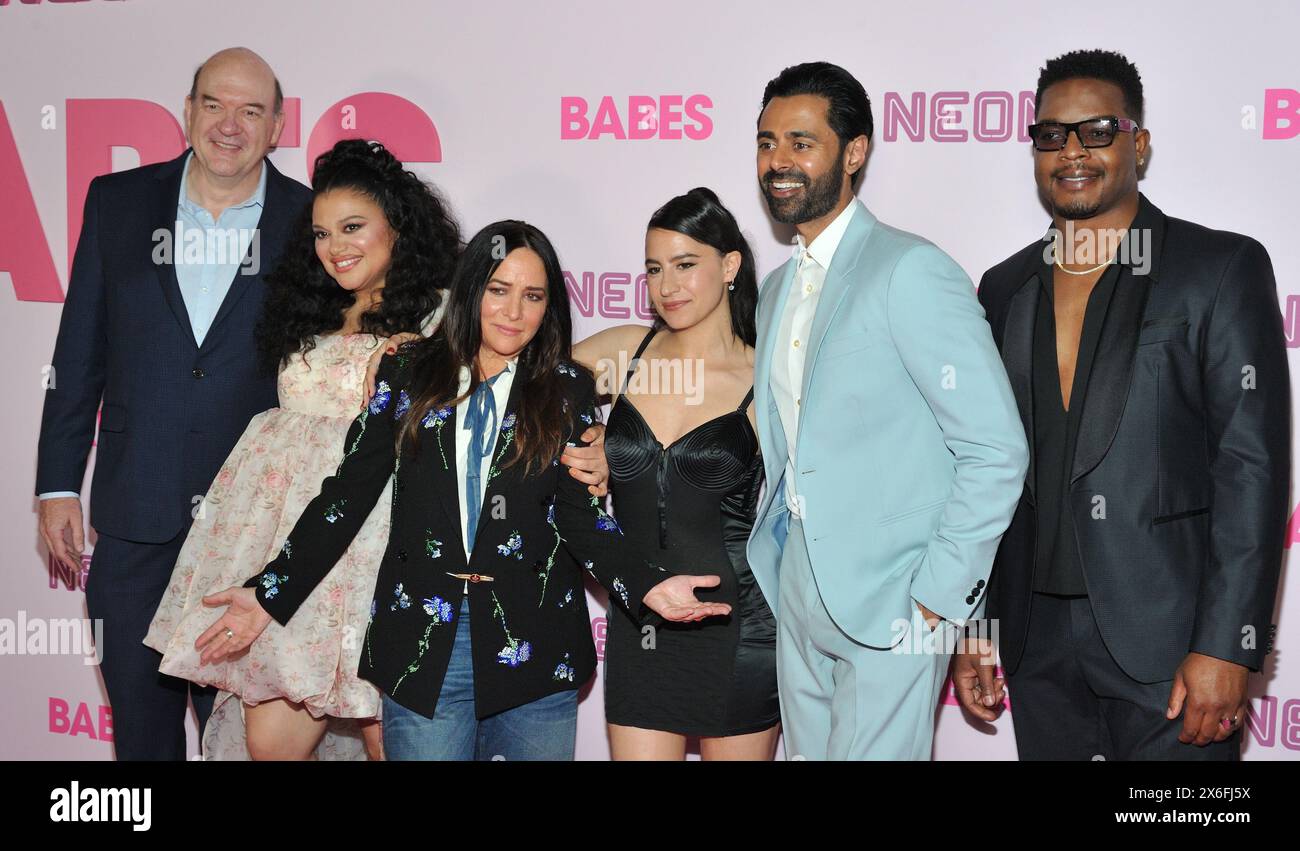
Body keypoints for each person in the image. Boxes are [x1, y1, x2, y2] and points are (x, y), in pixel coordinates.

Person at [193, 221, 731, 760]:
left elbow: (580, 517)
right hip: (424, 646)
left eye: (532, 296)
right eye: (498, 290)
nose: (513, 312)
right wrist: (270, 592)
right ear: (470, 290)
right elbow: (346, 495)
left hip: (537, 652)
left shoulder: (566, 389)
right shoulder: (406, 373)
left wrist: (647, 585)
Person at [952, 49, 1289, 760]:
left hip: (1172, 645)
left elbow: (1251, 470)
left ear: (1138, 143)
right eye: (1051, 135)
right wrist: (975, 626)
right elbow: (981, 473)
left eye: (1097, 131)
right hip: (1034, 642)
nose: (1072, 151)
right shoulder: (1003, 286)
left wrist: (1229, 644)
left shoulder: (1218, 269)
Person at [745, 62, 1029, 760]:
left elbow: (996, 448)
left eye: (801, 142)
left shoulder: (911, 269)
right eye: (766, 141)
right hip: (800, 594)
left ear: (855, 152)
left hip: (898, 604)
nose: (779, 161)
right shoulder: (776, 286)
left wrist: (937, 599)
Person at [34, 47, 311, 760]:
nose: (230, 124)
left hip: (253, 536)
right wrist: (59, 481)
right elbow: (78, 352)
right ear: (187, 113)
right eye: (215, 104)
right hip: (135, 524)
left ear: (276, 127)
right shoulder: (118, 202)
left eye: (251, 110)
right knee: (144, 739)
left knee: (244, 743)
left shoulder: (310, 222)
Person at [143, 139, 459, 760]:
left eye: (352, 227)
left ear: (397, 227)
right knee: (269, 745)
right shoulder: (308, 310)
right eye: (320, 233)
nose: (335, 247)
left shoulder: (440, 318)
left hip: (379, 549)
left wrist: (416, 354)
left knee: (388, 740)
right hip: (289, 546)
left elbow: (530, 367)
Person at [573, 188, 779, 760]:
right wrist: (579, 437)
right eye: (655, 269)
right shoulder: (623, 351)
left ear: (730, 264)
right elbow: (516, 383)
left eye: (686, 266)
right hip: (641, 619)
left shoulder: (770, 375)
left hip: (738, 627)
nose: (667, 287)